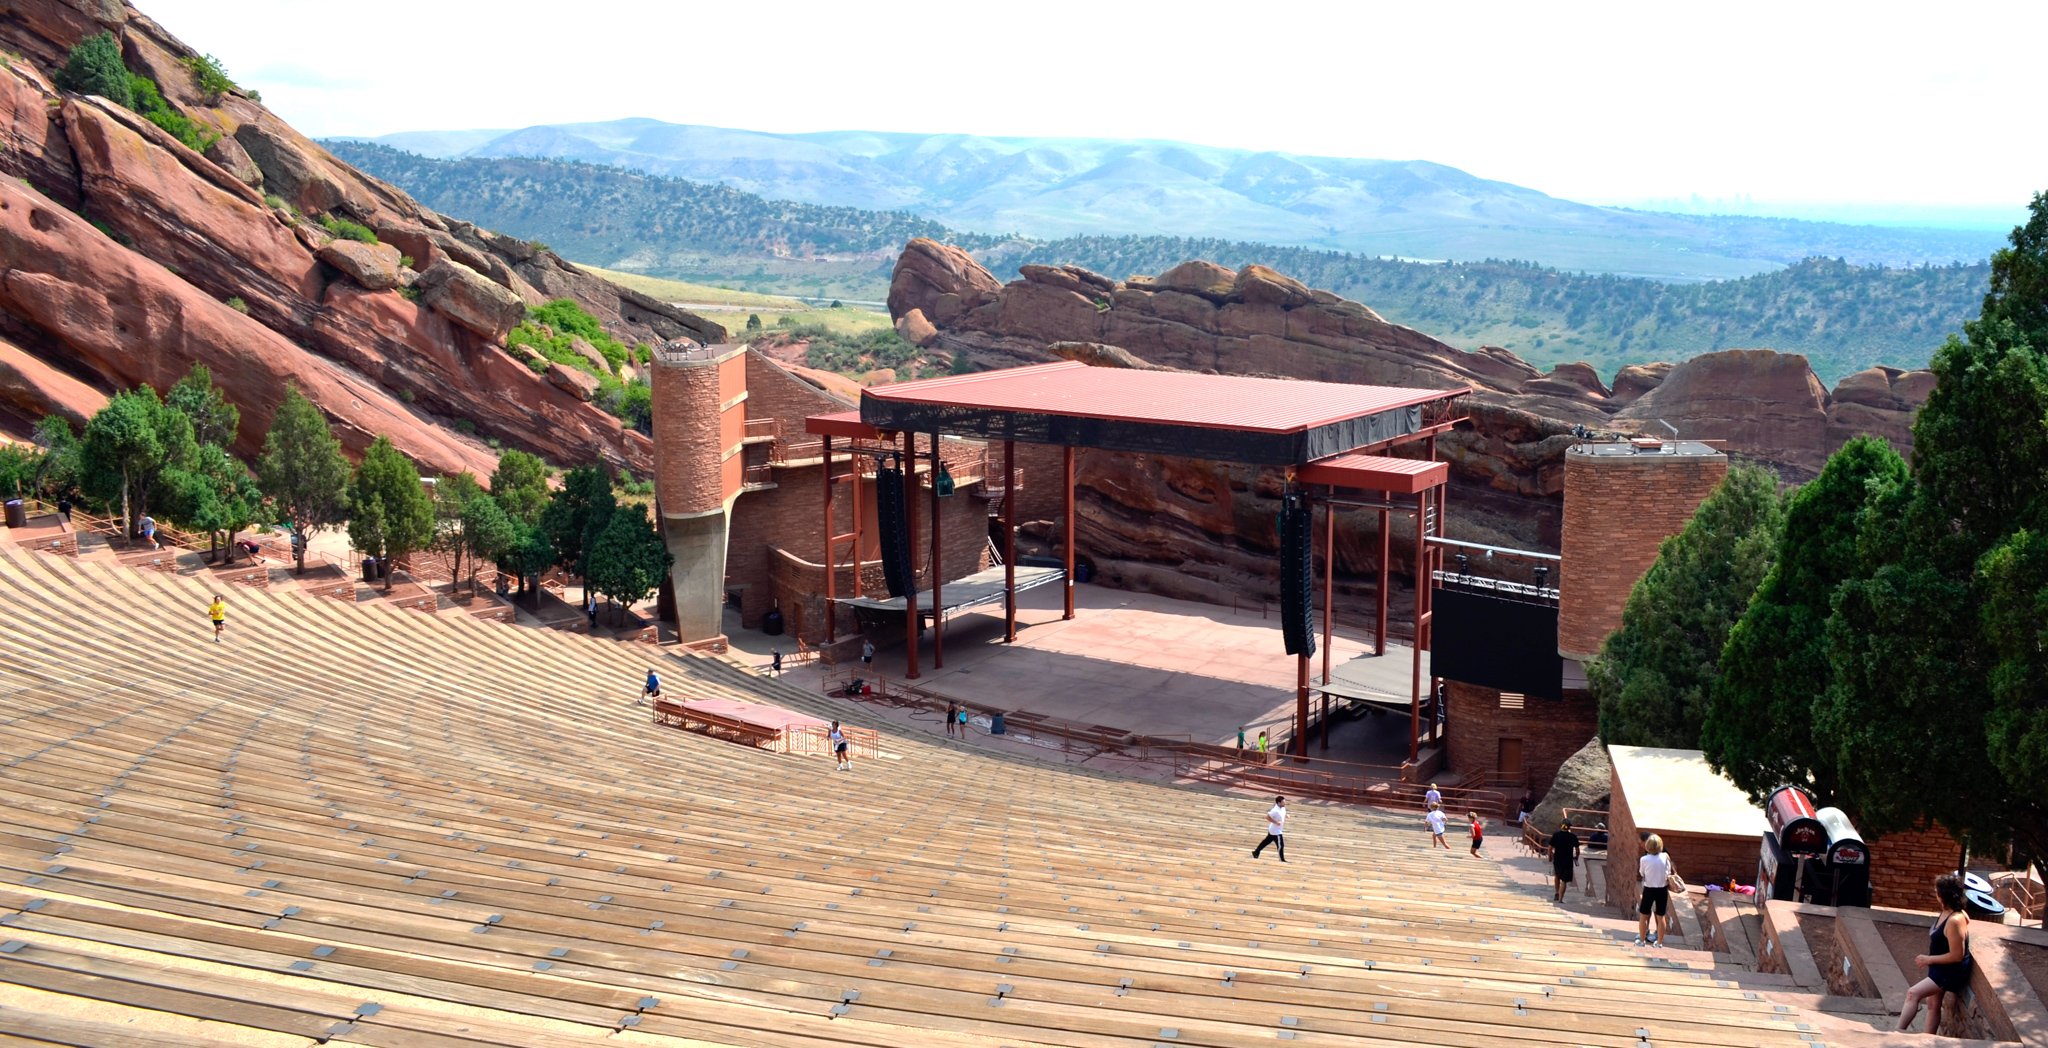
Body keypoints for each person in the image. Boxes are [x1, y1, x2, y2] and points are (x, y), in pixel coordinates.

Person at [1897, 872, 1972, 1034]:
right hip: (1939, 967)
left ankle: (1898, 1032)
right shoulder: (1950, 912)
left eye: (1937, 891)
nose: (1935, 894)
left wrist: (1928, 959)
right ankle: (1928, 1039)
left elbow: (1957, 955)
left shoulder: (1954, 920)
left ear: (1943, 895)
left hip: (1949, 971)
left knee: (1913, 993)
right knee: (1933, 1005)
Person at [1637, 833, 1675, 947]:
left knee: (1644, 915)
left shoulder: (1644, 859)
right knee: (1661, 916)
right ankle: (1659, 943)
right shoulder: (1665, 857)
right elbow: (1668, 871)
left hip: (1649, 889)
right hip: (1662, 889)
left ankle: (1642, 941)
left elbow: (1641, 873)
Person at [1549, 818, 1580, 902]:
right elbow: (1577, 850)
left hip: (1558, 859)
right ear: (1569, 827)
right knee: (1564, 880)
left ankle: (1556, 892)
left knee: (1557, 876)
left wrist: (1550, 856)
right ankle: (1560, 899)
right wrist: (1576, 857)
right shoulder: (1573, 837)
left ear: (1561, 825)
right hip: (1568, 861)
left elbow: (1550, 848)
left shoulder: (1556, 835)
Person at [1251, 796, 1287, 862]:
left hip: (1274, 830)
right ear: (1279, 803)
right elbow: (1267, 817)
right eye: (1283, 802)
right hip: (1275, 831)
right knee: (1281, 845)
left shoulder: (1283, 808)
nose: (1285, 803)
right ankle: (1281, 859)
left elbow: (1282, 813)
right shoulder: (1275, 810)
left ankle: (1256, 852)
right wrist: (1276, 822)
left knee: (1266, 842)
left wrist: (1286, 816)